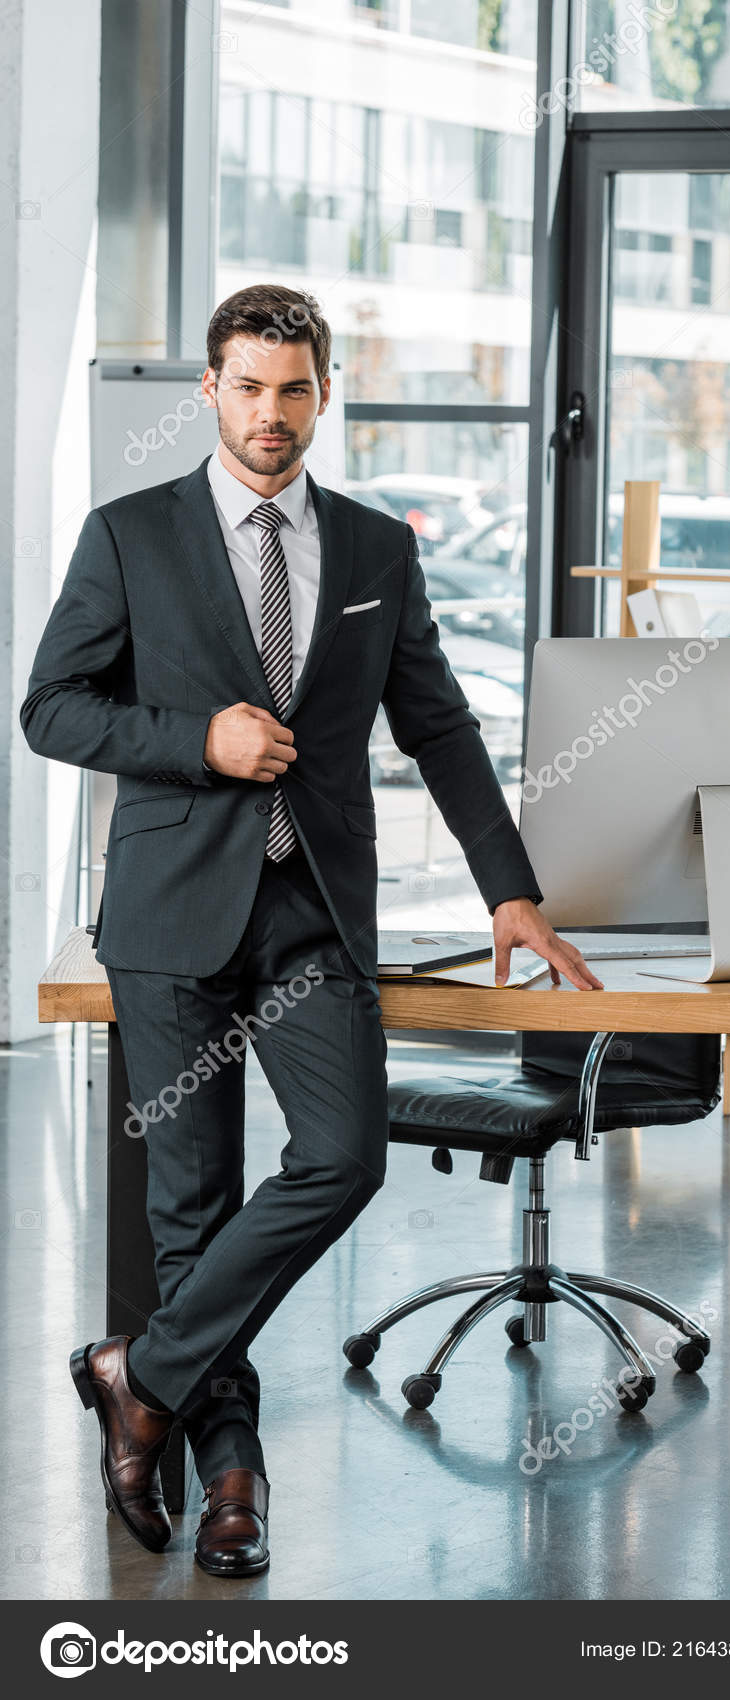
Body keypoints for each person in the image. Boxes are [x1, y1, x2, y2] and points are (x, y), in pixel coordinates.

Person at [21, 283, 603, 1578]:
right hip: (172, 916)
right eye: (246, 386)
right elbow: (50, 711)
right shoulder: (131, 538)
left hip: (312, 916)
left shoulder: (377, 552)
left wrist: (510, 887)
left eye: (294, 389)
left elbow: (440, 729)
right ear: (211, 392)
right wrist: (199, 743)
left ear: (324, 393)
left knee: (344, 1159)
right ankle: (233, 1475)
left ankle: (141, 1376)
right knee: (195, 1214)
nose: (269, 413)